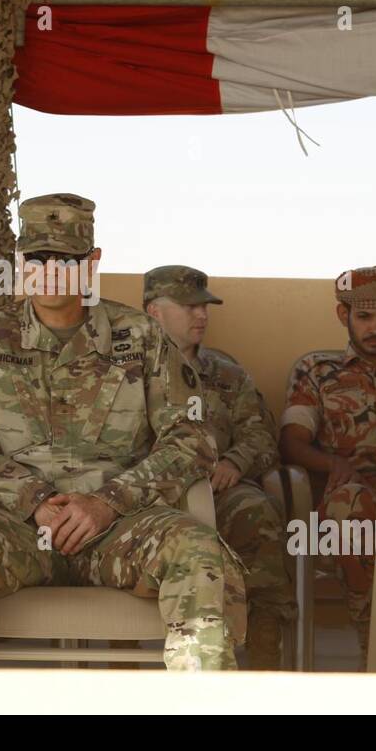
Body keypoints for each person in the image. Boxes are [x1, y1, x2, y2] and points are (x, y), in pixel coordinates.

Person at [0, 194, 245, 669]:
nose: (49, 269)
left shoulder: (142, 338)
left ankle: (202, 699)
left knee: (198, 549)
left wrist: (109, 501)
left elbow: (193, 439)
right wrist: (34, 500)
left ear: (92, 262)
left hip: (122, 530)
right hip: (21, 530)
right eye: (38, 258)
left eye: (64, 259)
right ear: (23, 263)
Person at [143, 264, 295, 669]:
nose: (202, 315)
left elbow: (262, 435)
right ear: (154, 312)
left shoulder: (227, 373)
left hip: (221, 491)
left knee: (259, 514)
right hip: (152, 499)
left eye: (204, 307)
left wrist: (235, 461)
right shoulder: (123, 372)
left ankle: (264, 660)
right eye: (189, 306)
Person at [280, 265, 376, 660]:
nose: (375, 328)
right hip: (348, 497)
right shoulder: (318, 371)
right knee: (350, 509)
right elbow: (292, 442)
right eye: (364, 317)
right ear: (345, 317)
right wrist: (332, 463)